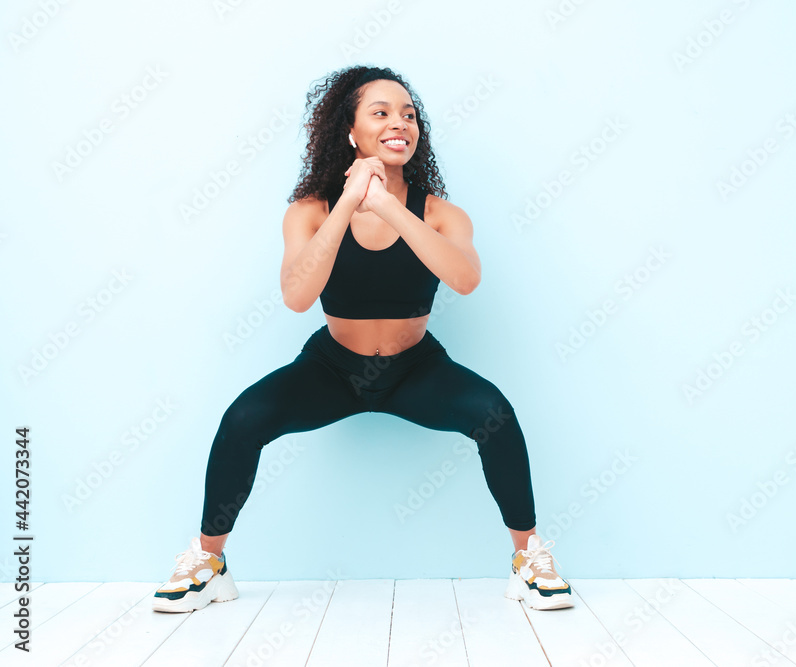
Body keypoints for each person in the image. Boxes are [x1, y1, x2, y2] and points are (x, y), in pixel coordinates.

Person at [152, 66, 573, 613]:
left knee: (495, 415)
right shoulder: (309, 211)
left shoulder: (440, 214)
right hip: (332, 370)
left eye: (409, 115)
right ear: (350, 132)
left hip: (415, 370)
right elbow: (297, 296)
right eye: (381, 112)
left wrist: (390, 206)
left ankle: (528, 559)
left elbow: (466, 279)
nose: (400, 123)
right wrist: (350, 201)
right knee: (243, 420)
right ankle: (209, 564)